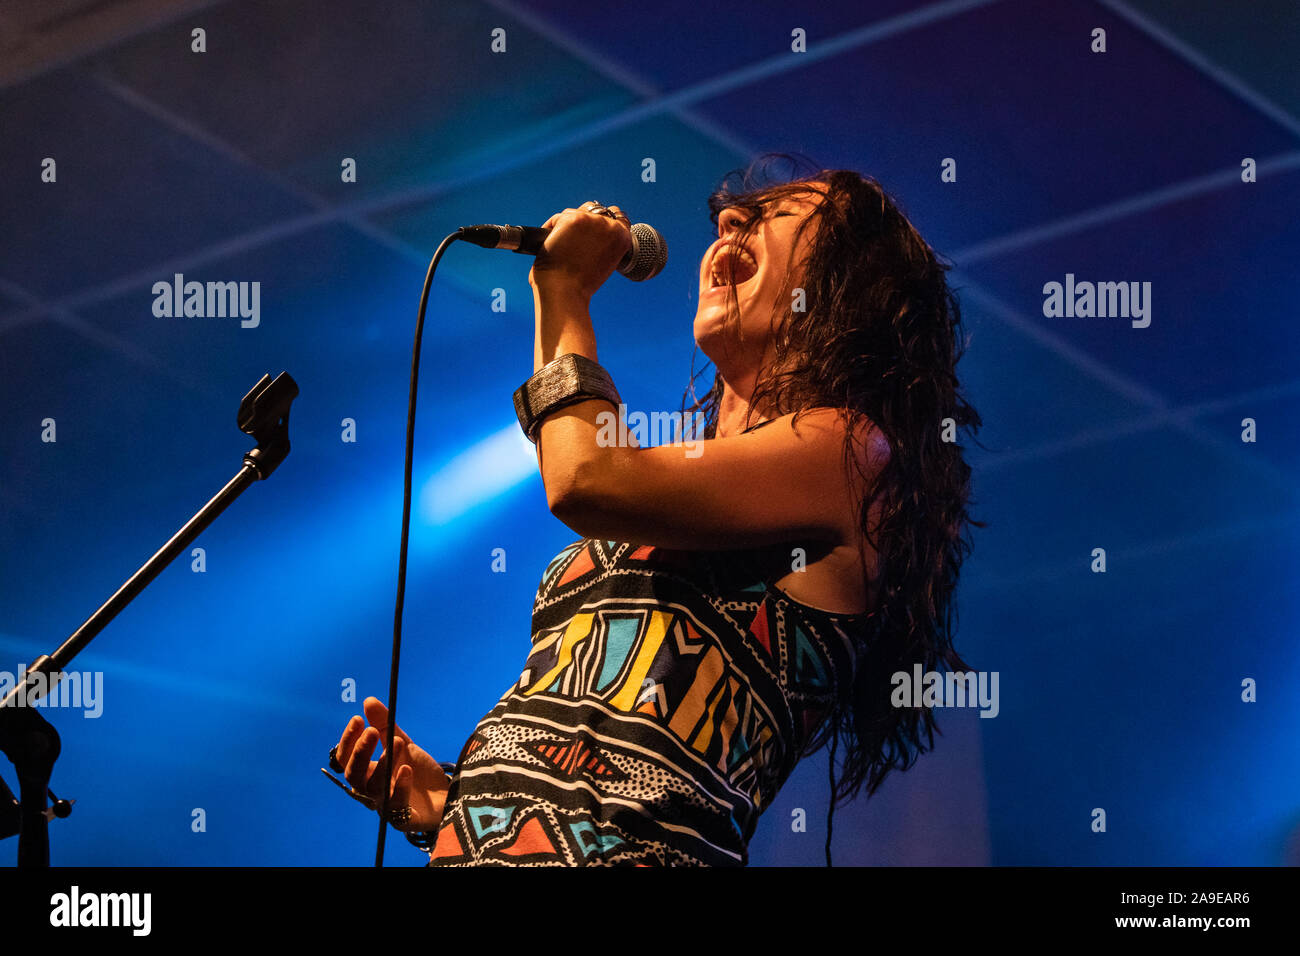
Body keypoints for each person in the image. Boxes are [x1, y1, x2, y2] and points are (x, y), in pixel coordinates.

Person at [330, 155, 983, 866]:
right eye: (733, 215)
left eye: (777, 213)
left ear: (847, 289)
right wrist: (453, 805)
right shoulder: (672, 488)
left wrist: (563, 290)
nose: (732, 220)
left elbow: (584, 478)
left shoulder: (851, 455)